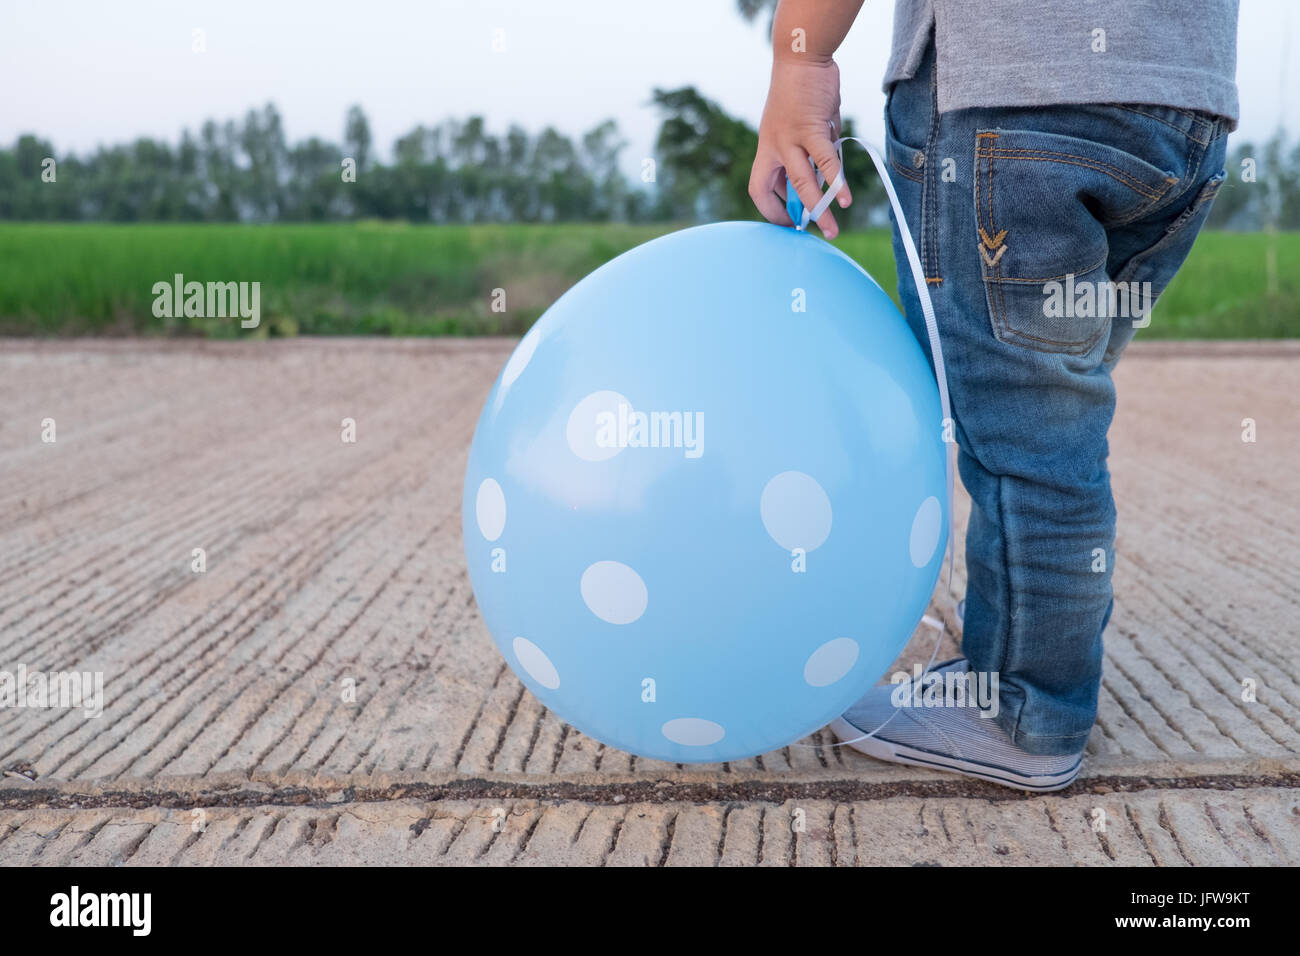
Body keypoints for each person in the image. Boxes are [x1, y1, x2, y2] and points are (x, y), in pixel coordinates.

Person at [749, 0, 1238, 790]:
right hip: (1183, 111)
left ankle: (1025, 710)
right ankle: (1022, 661)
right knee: (1056, 408)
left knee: (1025, 430)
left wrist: (800, 60)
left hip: (1015, 99)